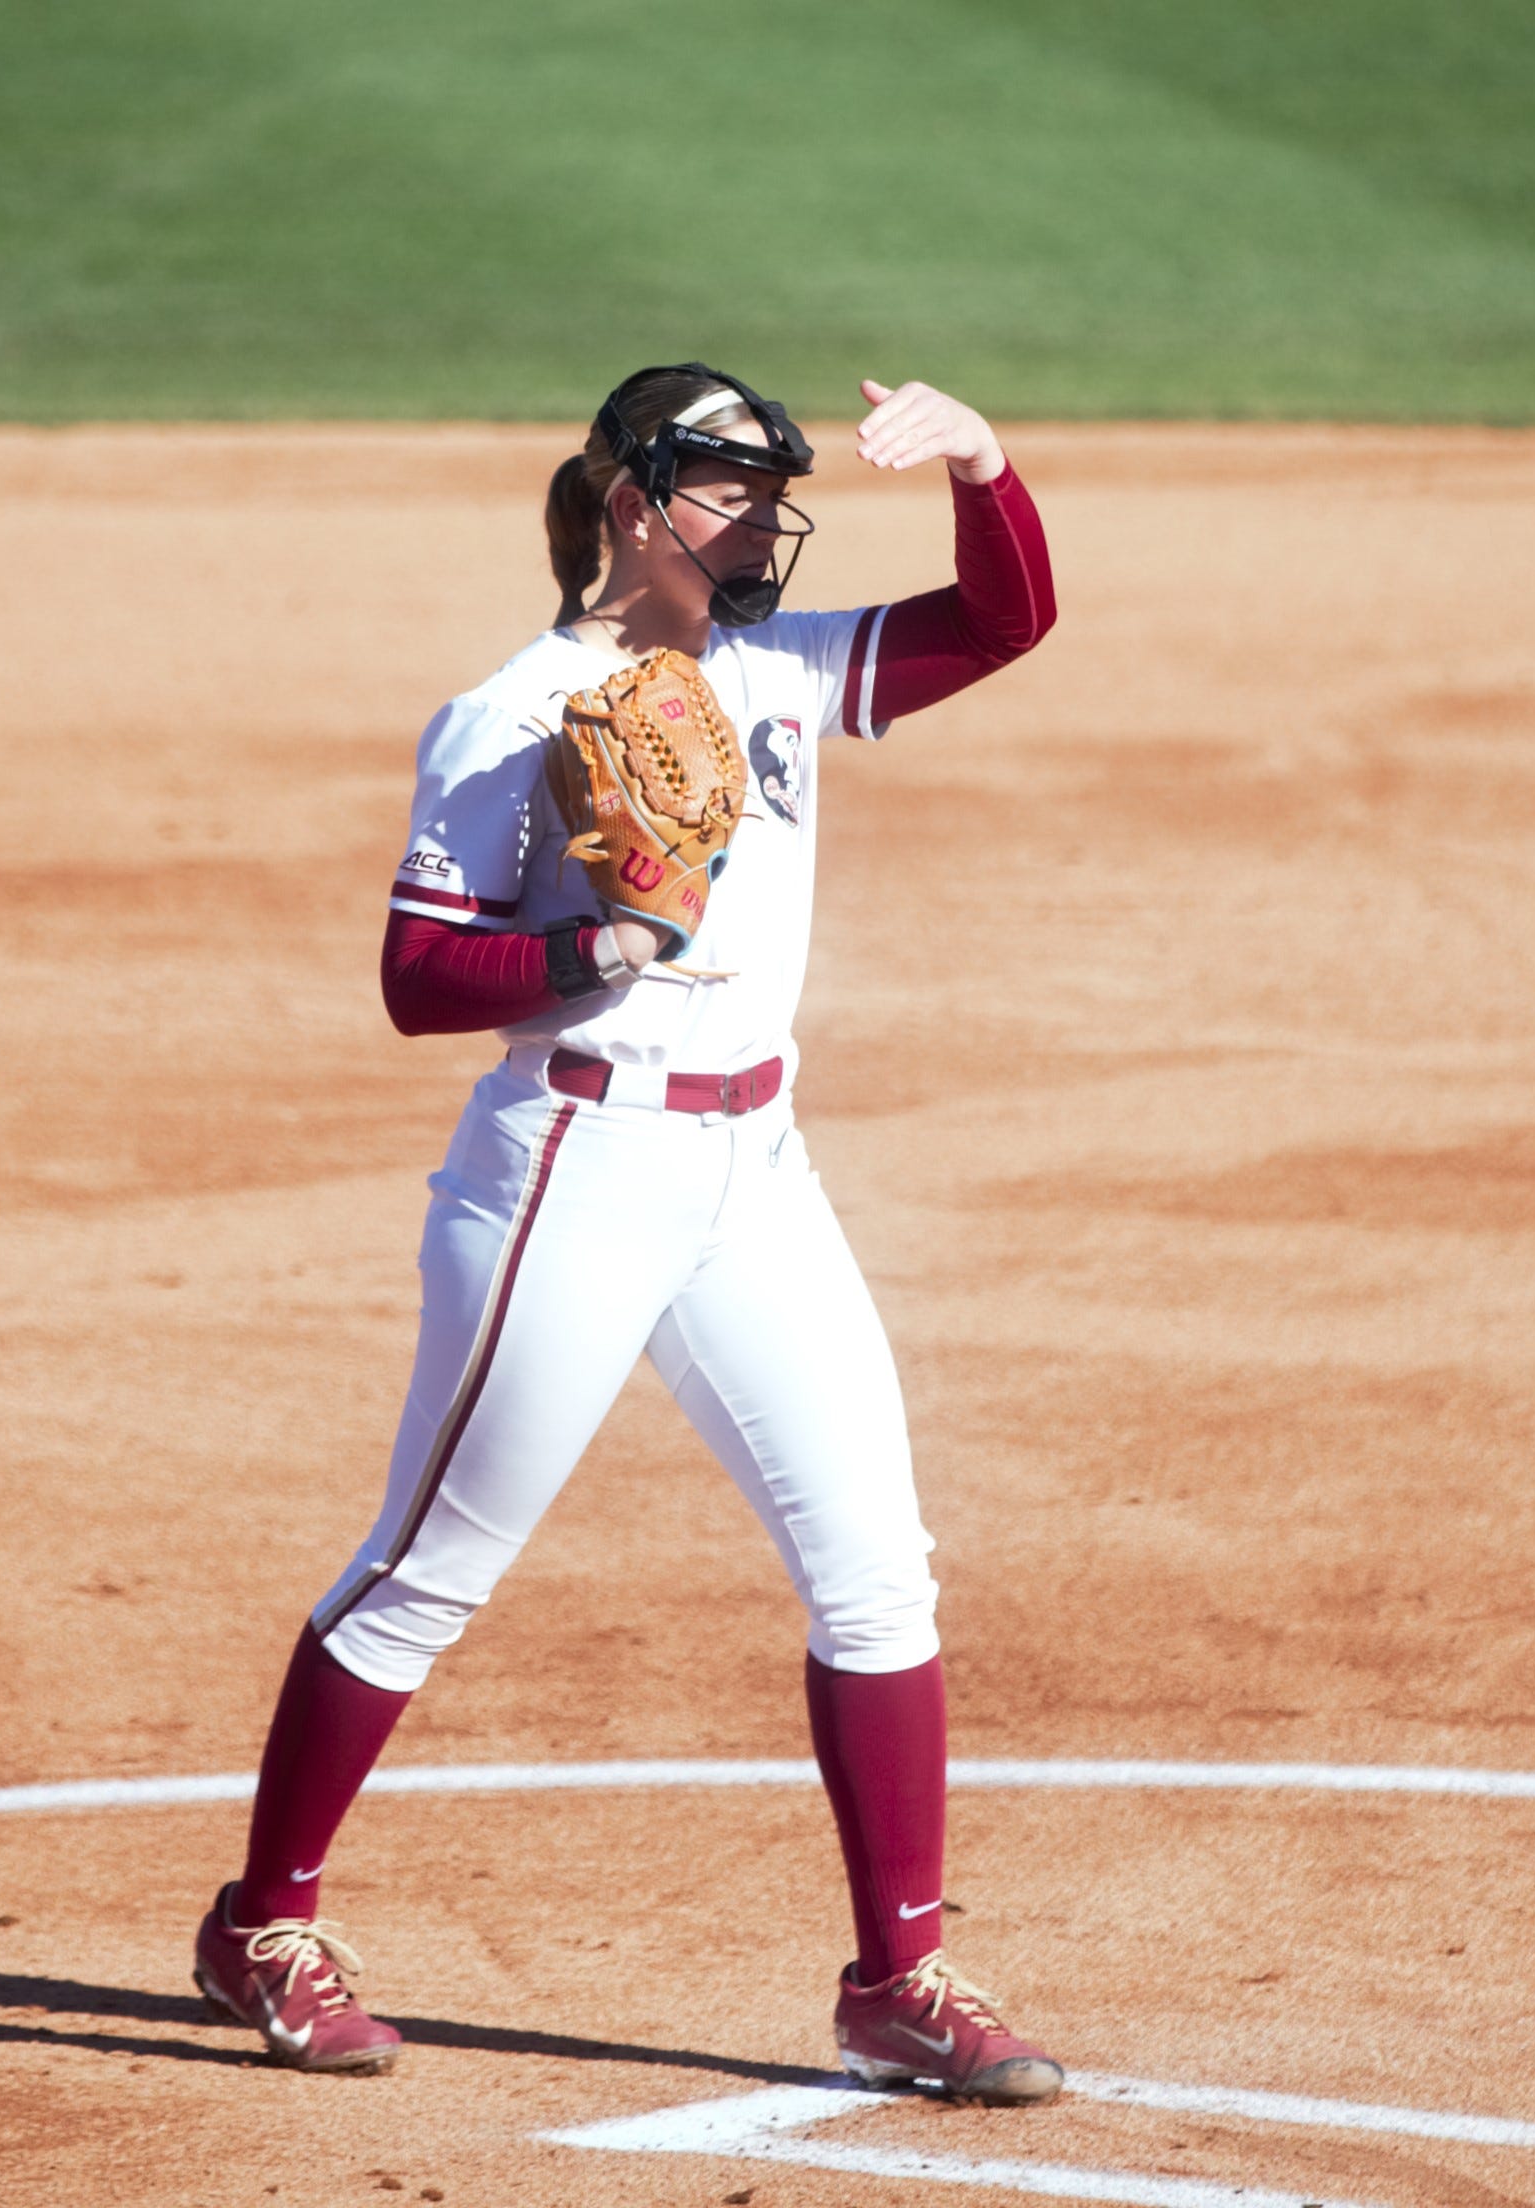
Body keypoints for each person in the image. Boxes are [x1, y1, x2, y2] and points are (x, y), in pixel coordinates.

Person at [190, 363, 1062, 2102]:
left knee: (878, 1571)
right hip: (570, 1169)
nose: (759, 522)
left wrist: (984, 456)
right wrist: (607, 947)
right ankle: (264, 1923)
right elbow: (419, 980)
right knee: (430, 1569)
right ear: (628, 502)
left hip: (760, 1175)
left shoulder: (785, 668)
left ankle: (900, 1975)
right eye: (725, 489)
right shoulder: (512, 712)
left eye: (770, 494)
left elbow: (1003, 619)